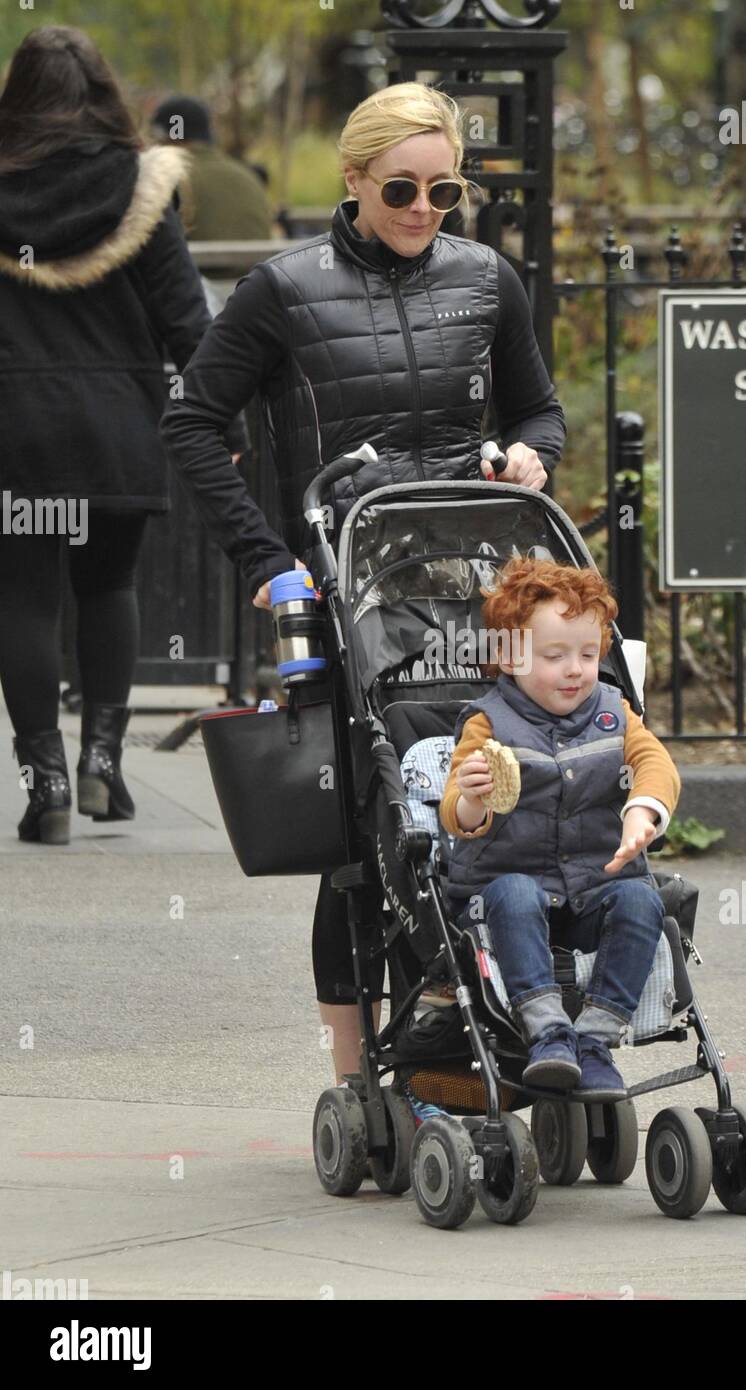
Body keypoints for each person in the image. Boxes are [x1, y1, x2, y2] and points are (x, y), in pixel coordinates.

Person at [160, 82, 566, 1082]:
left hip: (479, 592)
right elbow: (191, 424)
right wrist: (267, 560)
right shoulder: (283, 290)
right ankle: (358, 1075)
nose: (424, 210)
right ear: (352, 179)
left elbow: (541, 412)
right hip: (346, 596)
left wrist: (528, 457)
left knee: (489, 793)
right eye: (401, 188)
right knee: (366, 826)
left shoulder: (486, 281)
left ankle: (495, 1012)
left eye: (445, 190)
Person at [0, 25, 235, 844]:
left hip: (15, 433)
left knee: (23, 601)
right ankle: (103, 763)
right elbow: (185, 319)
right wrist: (220, 419)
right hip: (114, 427)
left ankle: (46, 786)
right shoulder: (141, 188)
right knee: (109, 589)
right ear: (102, 94)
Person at [439, 557, 681, 1098]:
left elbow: (655, 764)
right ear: (509, 657)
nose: (575, 669)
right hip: (508, 896)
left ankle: (595, 1038)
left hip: (593, 888)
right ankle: (548, 1032)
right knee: (515, 893)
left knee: (642, 900)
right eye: (555, 656)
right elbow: (455, 810)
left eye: (589, 654)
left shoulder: (613, 711)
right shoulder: (487, 723)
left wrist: (642, 810)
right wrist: (476, 798)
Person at [149, 95, 275, 241]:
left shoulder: (171, 179)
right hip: (258, 262)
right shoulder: (248, 175)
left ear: (169, 137)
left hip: (203, 263)